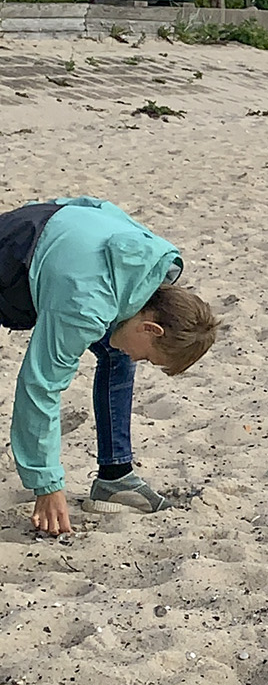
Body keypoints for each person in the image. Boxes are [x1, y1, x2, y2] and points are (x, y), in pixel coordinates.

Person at [0, 199, 219, 534]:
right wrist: (47, 485)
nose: (138, 360)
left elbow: (99, 207)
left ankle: (115, 479)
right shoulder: (83, 308)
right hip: (14, 254)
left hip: (54, 229)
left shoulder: (152, 269)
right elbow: (40, 385)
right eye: (147, 357)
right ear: (151, 328)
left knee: (117, 350)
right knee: (114, 350)